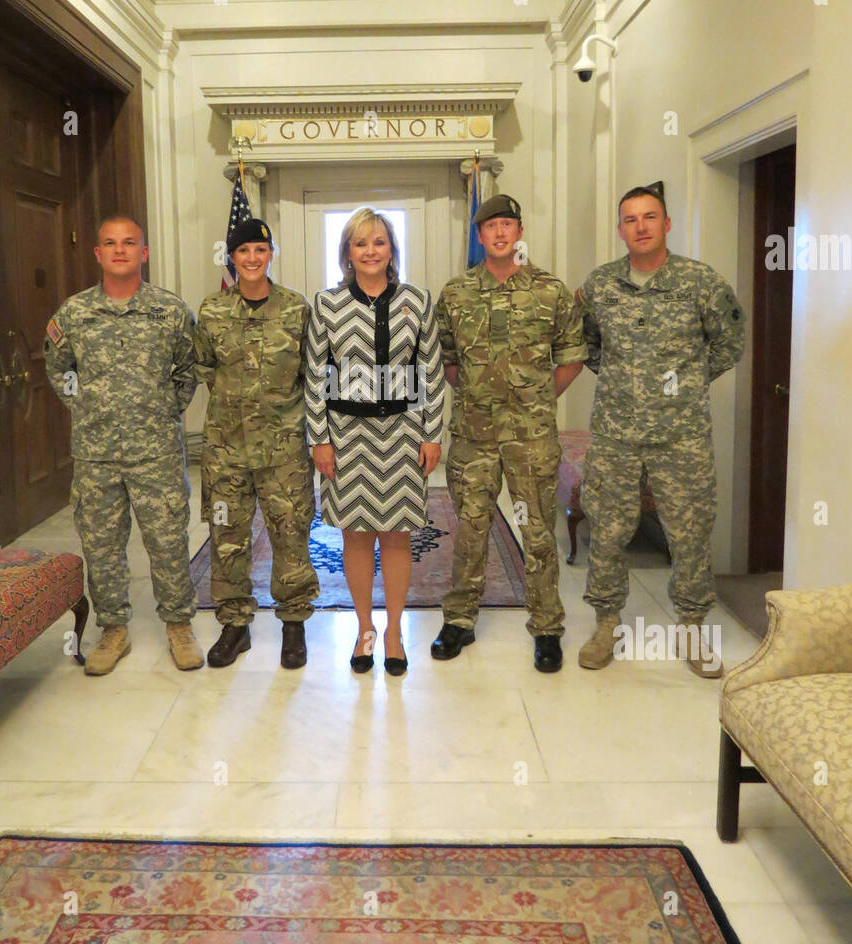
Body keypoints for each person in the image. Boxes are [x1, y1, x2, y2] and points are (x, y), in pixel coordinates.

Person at [576, 185, 746, 677]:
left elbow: (729, 343)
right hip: (615, 432)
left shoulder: (700, 282)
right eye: (630, 219)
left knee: (690, 535)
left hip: (682, 435)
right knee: (607, 533)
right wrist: (627, 383)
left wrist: (686, 382)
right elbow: (587, 344)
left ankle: (693, 629)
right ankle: (606, 624)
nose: (641, 227)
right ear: (620, 229)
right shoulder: (602, 284)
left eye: (650, 217)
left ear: (667, 224)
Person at [432, 194, 586, 672]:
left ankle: (546, 627)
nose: (499, 233)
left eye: (507, 225)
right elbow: (447, 359)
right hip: (474, 436)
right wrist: (480, 394)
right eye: (490, 226)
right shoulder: (456, 293)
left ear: (519, 232)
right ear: (479, 237)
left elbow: (572, 356)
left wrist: (535, 398)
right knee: (471, 531)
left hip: (530, 437)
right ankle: (459, 620)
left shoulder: (550, 291)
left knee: (537, 531)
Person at [44, 215, 201, 676]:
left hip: (157, 451)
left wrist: (162, 410)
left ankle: (179, 625)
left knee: (169, 539)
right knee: (102, 545)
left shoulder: (170, 311)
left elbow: (186, 371)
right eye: (110, 243)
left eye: (129, 243)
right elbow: (59, 369)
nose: (119, 250)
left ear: (143, 253)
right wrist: (87, 406)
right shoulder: (73, 314)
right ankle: (113, 630)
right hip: (96, 454)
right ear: (97, 254)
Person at [305, 208, 444, 675]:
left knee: (398, 536)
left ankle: (394, 631)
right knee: (357, 536)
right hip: (347, 438)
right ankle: (366, 628)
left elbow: (430, 372)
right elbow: (316, 377)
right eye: (360, 243)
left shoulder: (418, 301)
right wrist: (319, 439)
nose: (370, 250)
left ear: (391, 250)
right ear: (347, 253)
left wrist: (431, 432)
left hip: (403, 434)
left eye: (379, 242)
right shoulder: (326, 305)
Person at [194, 219, 319, 669]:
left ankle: (293, 623)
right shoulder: (211, 311)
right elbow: (206, 368)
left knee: (291, 536)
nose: (251, 258)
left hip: (283, 451)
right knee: (227, 539)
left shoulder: (296, 310)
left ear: (271, 254)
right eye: (243, 250)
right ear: (231, 256)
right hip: (226, 451)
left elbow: (312, 375)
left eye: (260, 250)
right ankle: (235, 625)